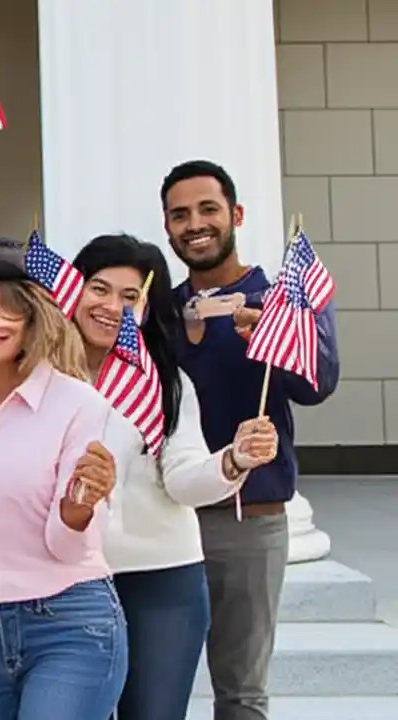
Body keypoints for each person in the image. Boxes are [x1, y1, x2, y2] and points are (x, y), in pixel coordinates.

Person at [70, 234, 280, 720]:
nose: (110, 307)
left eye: (130, 297)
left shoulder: (166, 381)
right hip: (64, 581)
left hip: (160, 579)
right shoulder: (34, 376)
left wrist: (234, 459)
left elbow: (183, 478)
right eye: (98, 289)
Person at [160, 160, 340, 720]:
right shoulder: (155, 311)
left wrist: (269, 336)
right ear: (167, 228)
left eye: (208, 209)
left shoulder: (282, 300)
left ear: (235, 215)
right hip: (162, 520)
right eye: (179, 214)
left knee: (240, 694)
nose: (195, 224)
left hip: (247, 517)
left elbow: (318, 385)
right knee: (150, 685)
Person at [0, 259, 126, 720]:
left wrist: (78, 504)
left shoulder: (77, 403)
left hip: (69, 623)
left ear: (31, 320)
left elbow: (65, 546)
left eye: (8, 309)